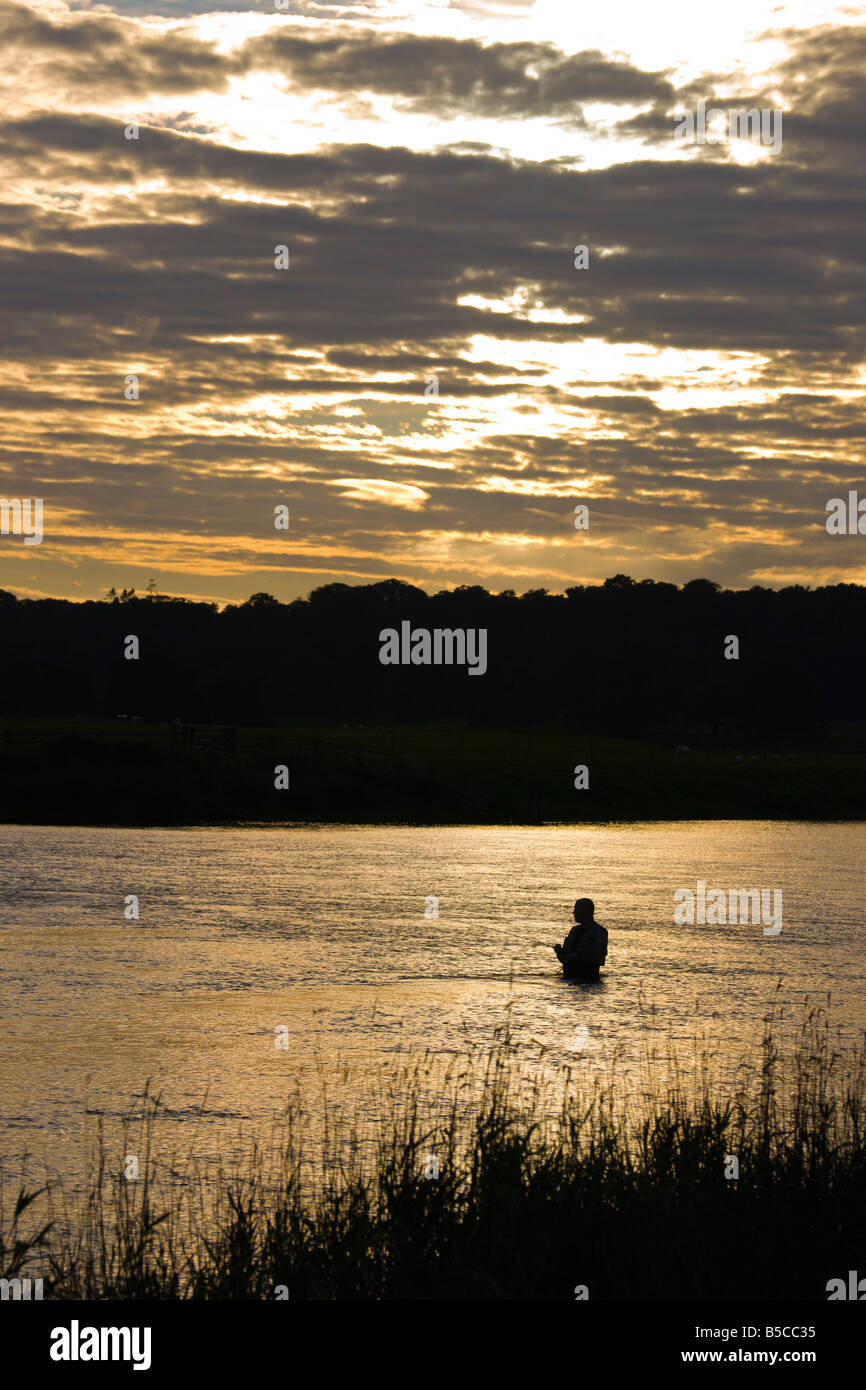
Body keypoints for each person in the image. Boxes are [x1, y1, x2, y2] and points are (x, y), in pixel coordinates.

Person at [554, 898, 608, 981]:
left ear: (585, 912)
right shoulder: (574, 930)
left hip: (589, 980)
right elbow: (565, 959)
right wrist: (559, 952)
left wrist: (574, 957)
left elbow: (599, 959)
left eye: (576, 910)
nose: (574, 912)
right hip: (569, 980)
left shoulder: (600, 932)